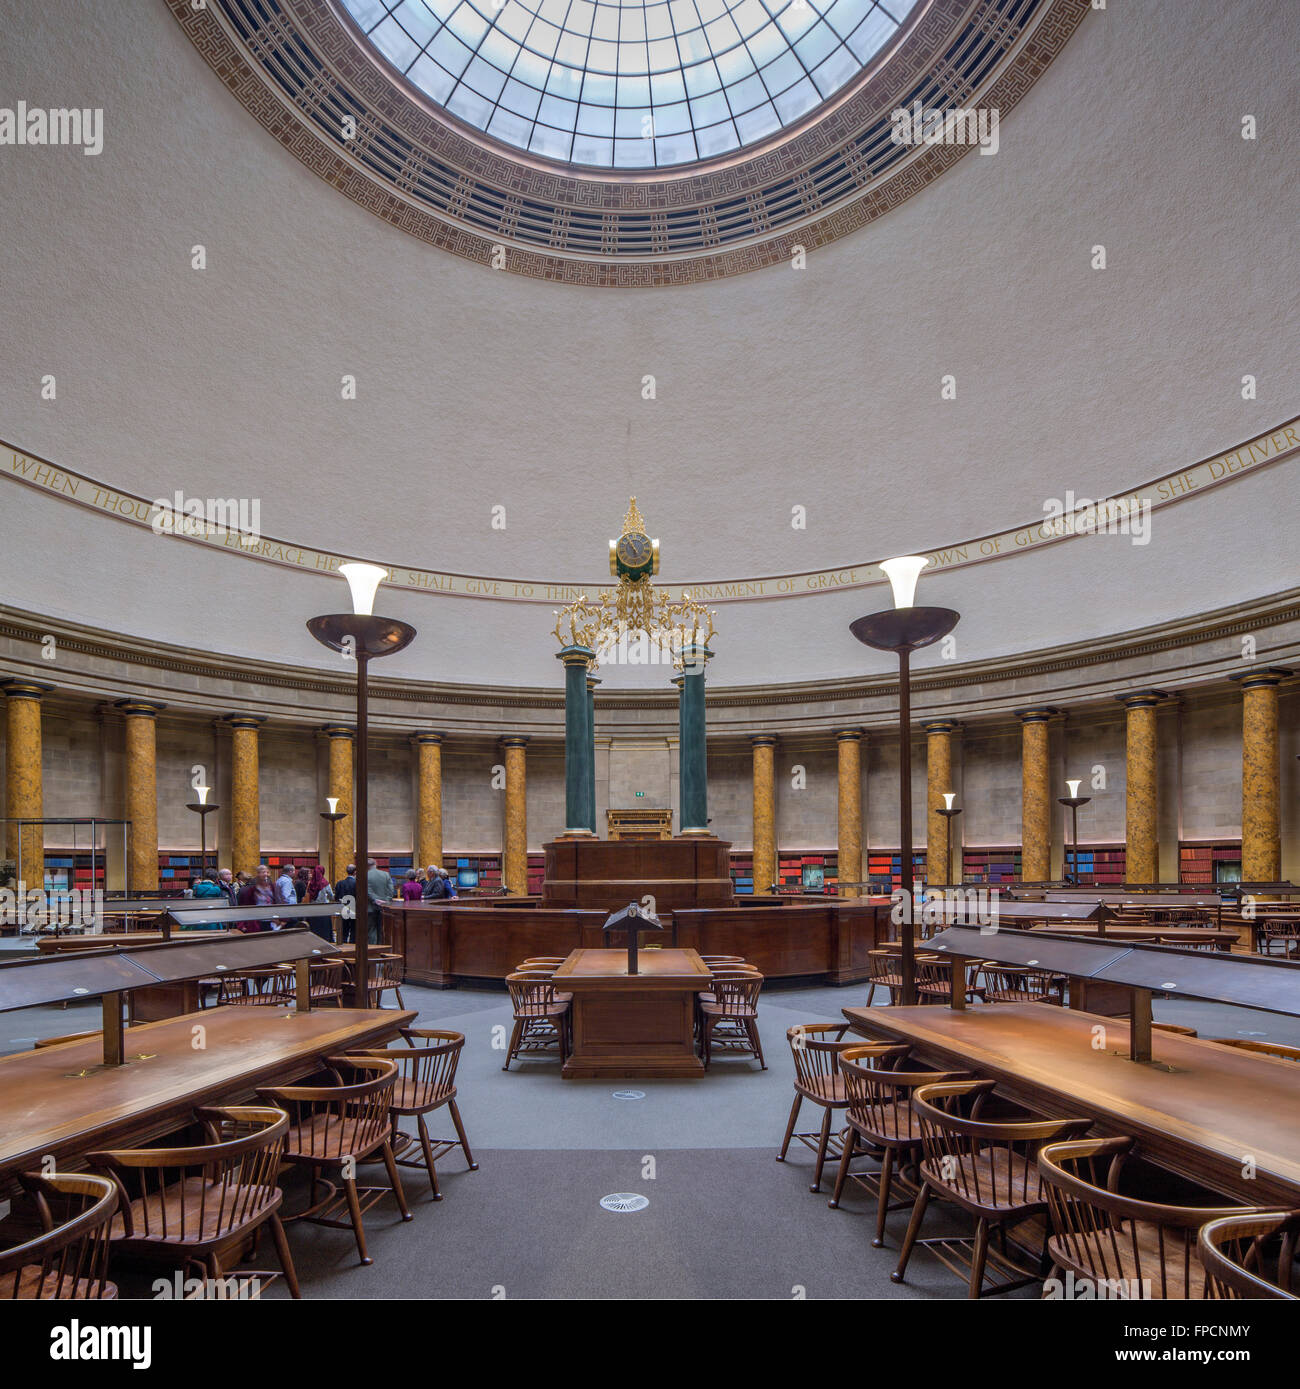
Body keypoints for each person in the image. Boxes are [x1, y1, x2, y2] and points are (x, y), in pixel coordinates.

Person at [236, 864, 274, 932]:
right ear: (258, 874)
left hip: (270, 920)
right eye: (263, 872)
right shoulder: (249, 890)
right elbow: (243, 908)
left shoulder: (272, 887)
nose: (266, 874)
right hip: (256, 921)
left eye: (267, 872)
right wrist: (242, 924)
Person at [365, 858, 393, 945]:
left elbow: (366, 890)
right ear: (376, 864)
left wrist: (375, 899)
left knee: (371, 930)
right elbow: (391, 890)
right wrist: (385, 901)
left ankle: (373, 951)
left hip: (370, 907)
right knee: (382, 929)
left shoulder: (364, 875)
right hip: (384, 907)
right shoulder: (385, 874)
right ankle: (382, 949)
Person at [333, 863, 358, 943]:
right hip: (354, 909)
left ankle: (343, 945)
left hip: (343, 909)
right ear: (355, 872)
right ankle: (352, 945)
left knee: (344, 930)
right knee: (354, 930)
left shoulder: (340, 883)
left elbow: (336, 897)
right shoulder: (357, 883)